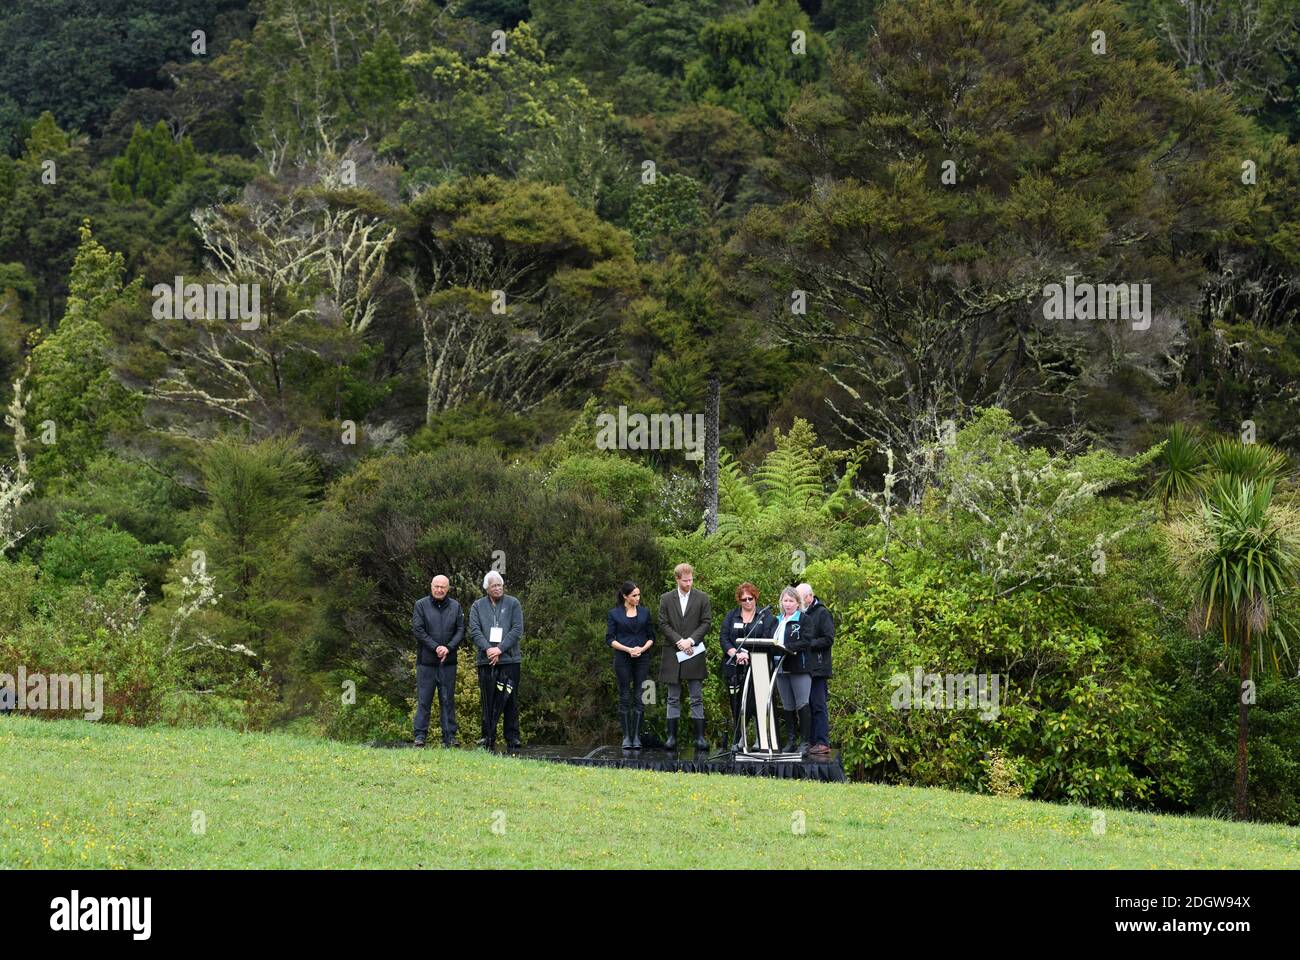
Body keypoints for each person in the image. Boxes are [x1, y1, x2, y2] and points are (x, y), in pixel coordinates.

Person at [657, 563, 712, 750]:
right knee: (673, 697)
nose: (689, 583)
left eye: (691, 580)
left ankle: (699, 738)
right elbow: (662, 623)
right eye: (685, 580)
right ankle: (672, 738)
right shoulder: (666, 598)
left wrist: (691, 641)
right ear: (677, 579)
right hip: (673, 652)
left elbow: (706, 623)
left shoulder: (702, 598)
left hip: (693, 651)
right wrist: (679, 641)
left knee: (696, 696)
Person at [469, 570, 524, 749]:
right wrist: (489, 650)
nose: (498, 588)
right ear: (487, 588)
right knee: (488, 700)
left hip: (510, 660)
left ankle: (512, 737)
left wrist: (499, 649)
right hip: (486, 661)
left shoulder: (513, 603)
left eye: (500, 585)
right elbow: (475, 630)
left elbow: (517, 629)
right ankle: (487, 736)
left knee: (510, 700)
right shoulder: (477, 606)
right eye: (494, 586)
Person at [718, 582, 775, 750]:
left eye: (750, 598)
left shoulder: (765, 616)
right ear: (739, 600)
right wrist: (735, 654)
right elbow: (724, 637)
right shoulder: (731, 616)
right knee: (736, 702)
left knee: (755, 702)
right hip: (734, 665)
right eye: (744, 599)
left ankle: (760, 738)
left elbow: (766, 638)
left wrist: (748, 655)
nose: (748, 602)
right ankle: (740, 737)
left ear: (755, 597)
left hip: (758, 664)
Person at [412, 574, 464, 747]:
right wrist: (436, 647)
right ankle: (420, 736)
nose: (439, 589)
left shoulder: (456, 606)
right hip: (426, 663)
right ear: (431, 586)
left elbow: (460, 630)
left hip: (448, 663)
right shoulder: (420, 605)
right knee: (424, 700)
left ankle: (449, 737)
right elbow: (418, 630)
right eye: (437, 586)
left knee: (448, 700)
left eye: (443, 587)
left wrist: (448, 648)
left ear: (448, 588)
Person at [607, 581, 655, 749]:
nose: (637, 598)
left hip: (642, 658)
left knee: (639, 696)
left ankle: (636, 737)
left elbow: (651, 637)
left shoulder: (645, 613)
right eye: (634, 595)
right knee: (625, 696)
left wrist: (642, 649)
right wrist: (628, 649)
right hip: (623, 658)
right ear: (625, 596)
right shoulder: (614, 614)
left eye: (639, 595)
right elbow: (610, 639)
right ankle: (626, 737)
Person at [770, 586, 812, 756]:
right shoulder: (776, 619)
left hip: (798, 667)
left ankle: (805, 742)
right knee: (787, 705)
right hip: (779, 668)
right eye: (785, 600)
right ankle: (791, 741)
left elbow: (807, 640)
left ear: (798, 602)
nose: (787, 604)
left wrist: (787, 647)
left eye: (791, 601)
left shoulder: (804, 619)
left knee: (802, 703)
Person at [796, 582, 835, 757]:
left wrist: (808, 644)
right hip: (802, 667)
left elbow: (828, 639)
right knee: (806, 705)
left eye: (799, 598)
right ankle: (810, 741)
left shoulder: (823, 613)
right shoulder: (799, 614)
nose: (797, 602)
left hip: (819, 668)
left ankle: (821, 742)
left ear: (810, 597)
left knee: (818, 705)